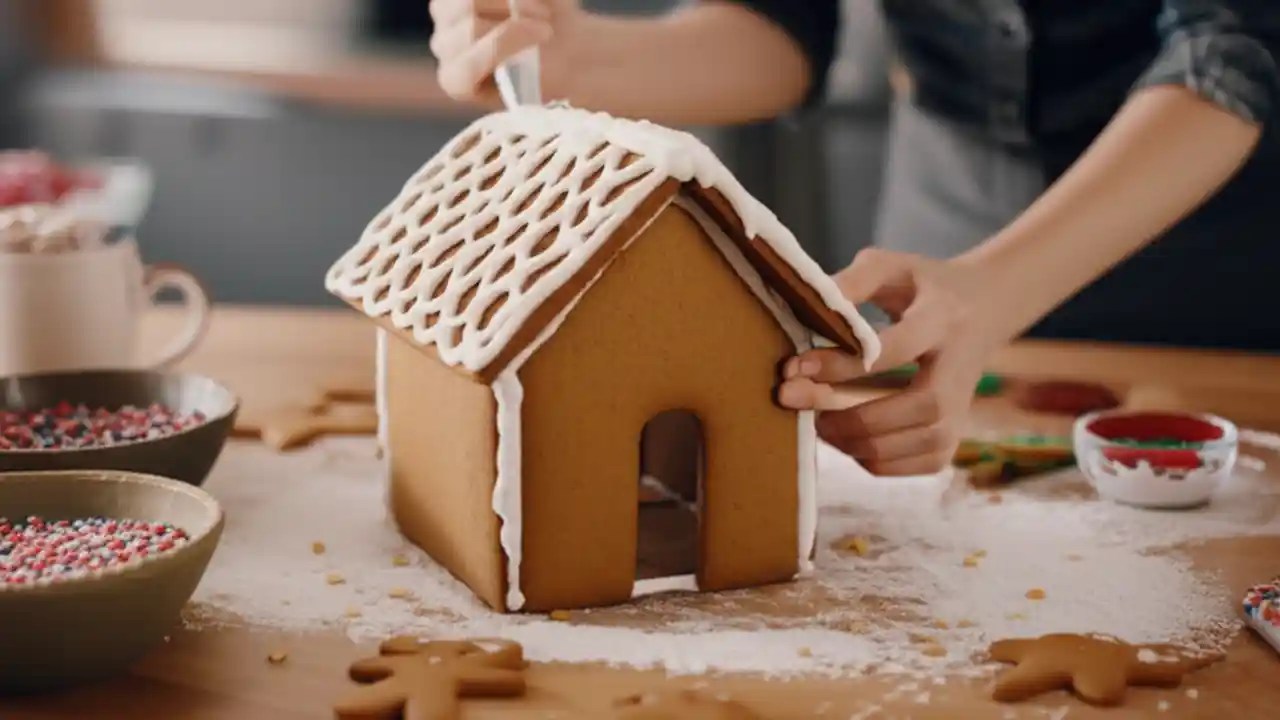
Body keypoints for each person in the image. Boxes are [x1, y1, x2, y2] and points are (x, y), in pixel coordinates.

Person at [427, 0, 1278, 476]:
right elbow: (785, 31)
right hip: (940, 240)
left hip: (1201, 243)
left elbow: (1232, 50)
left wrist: (989, 290)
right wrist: (587, 56)